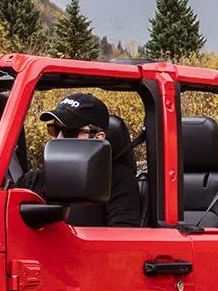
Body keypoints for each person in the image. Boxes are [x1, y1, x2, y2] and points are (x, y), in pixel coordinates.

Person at [37, 91, 145, 225]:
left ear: (98, 138)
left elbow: (123, 237)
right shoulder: (40, 177)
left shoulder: (117, 180)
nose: (58, 138)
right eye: (54, 129)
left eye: (69, 132)